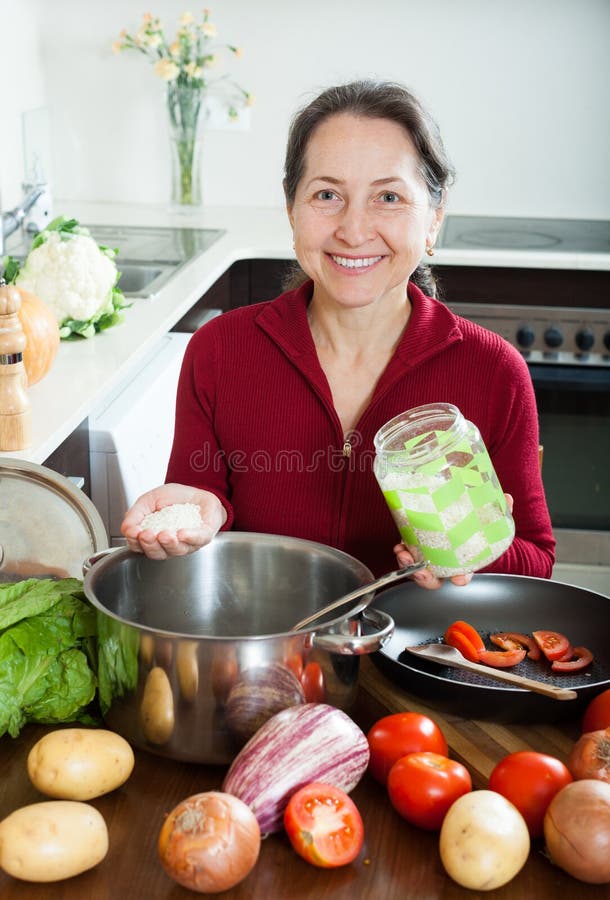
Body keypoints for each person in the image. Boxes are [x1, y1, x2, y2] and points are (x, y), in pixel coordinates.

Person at [121, 79, 555, 589]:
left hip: (418, 638)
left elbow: (537, 556)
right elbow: (200, 503)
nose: (353, 230)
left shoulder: (494, 371)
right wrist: (200, 515)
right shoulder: (219, 350)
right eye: (327, 195)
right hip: (266, 633)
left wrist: (473, 550)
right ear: (291, 210)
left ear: (434, 220)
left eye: (388, 197)